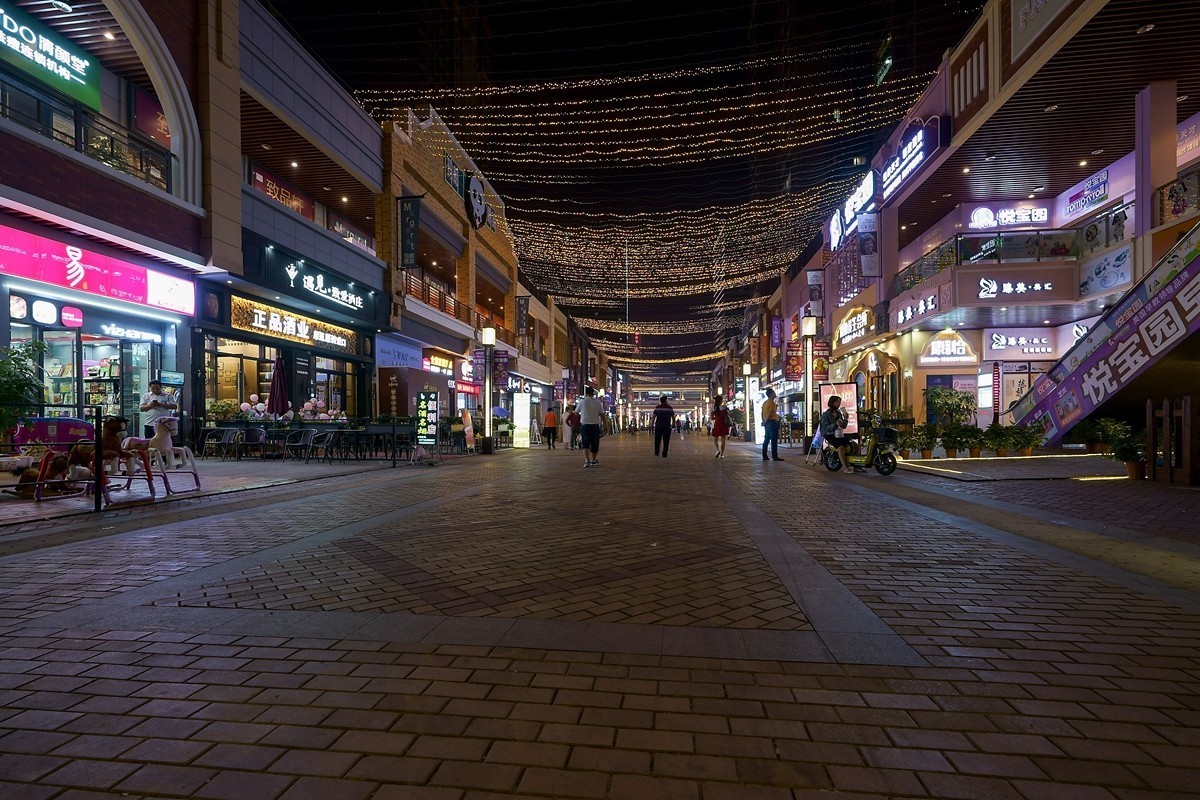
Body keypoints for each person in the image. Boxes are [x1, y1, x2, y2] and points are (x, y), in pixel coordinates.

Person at [819, 394, 852, 474]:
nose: (839, 404)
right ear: (832, 402)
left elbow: (843, 426)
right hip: (830, 435)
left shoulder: (839, 413)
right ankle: (845, 467)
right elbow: (825, 428)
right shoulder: (826, 414)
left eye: (840, 402)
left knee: (853, 446)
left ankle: (856, 466)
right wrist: (835, 424)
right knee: (840, 448)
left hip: (839, 434)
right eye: (837, 402)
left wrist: (846, 419)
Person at [576, 387, 603, 467]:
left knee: (585, 443)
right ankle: (593, 460)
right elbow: (602, 415)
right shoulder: (598, 403)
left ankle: (586, 460)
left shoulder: (582, 402)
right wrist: (605, 426)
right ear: (593, 393)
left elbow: (576, 413)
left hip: (585, 425)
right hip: (595, 425)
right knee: (595, 444)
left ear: (585, 393)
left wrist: (582, 414)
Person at [761, 387, 782, 461]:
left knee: (766, 439)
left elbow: (762, 413)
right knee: (774, 440)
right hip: (772, 422)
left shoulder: (765, 403)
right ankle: (775, 456)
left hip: (767, 423)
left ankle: (764, 455)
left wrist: (764, 421)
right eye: (774, 392)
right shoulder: (772, 403)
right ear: (771, 394)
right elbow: (770, 413)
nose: (775, 393)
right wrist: (766, 421)